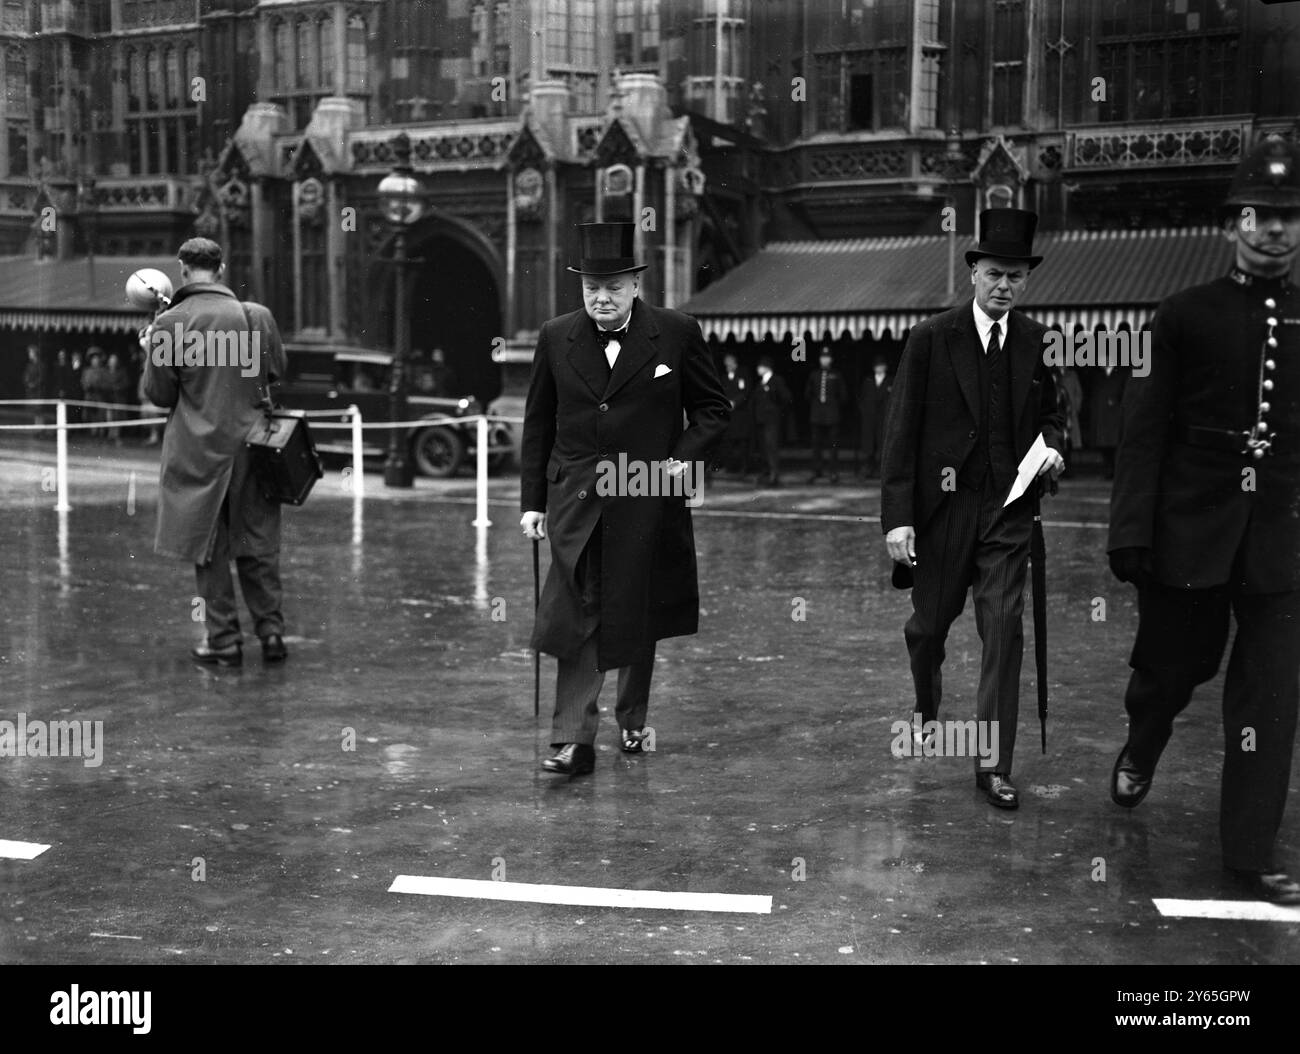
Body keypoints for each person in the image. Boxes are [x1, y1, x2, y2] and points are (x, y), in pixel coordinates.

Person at [1106, 136, 1300, 904]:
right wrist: (1131, 533)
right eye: (1257, 215)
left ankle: (1249, 853)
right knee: (1172, 672)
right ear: (1233, 225)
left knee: (1272, 695)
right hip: (1191, 533)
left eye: (1288, 216)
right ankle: (1143, 743)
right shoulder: (1183, 314)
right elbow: (1143, 430)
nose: (1273, 230)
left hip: (1282, 545)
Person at [519, 222, 730, 776]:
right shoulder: (554, 335)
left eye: (613, 286)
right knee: (578, 611)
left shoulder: (677, 332)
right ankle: (573, 739)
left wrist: (684, 459)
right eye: (591, 287)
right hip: (576, 500)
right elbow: (538, 422)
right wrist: (532, 502)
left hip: (648, 493)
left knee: (639, 606)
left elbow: (714, 409)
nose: (601, 298)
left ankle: (633, 720)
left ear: (636, 284)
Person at [881, 209, 1065, 810]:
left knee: (1003, 632)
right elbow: (901, 432)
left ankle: (993, 765)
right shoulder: (933, 338)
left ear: (1026, 279)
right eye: (994, 273)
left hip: (1007, 512)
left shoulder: (1039, 342)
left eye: (1015, 275)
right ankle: (927, 702)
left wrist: (1055, 450)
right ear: (973, 273)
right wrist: (898, 518)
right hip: (944, 511)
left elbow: (1053, 418)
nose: (1004, 285)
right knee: (928, 628)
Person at [143, 237, 289, 667]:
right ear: (221, 269)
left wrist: (151, 350)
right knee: (257, 542)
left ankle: (223, 640)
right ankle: (272, 632)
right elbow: (276, 370)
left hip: (198, 452)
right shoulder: (255, 317)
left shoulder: (171, 325)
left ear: (183, 271)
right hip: (254, 448)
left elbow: (159, 394)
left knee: (210, 548)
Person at [805, 347, 849, 483]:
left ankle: (833, 472)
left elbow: (843, 396)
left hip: (832, 415)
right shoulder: (814, 374)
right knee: (816, 445)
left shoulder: (836, 374)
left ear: (831, 359)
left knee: (833, 445)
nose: (824, 360)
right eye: (822, 357)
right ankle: (816, 471)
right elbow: (807, 394)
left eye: (827, 357)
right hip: (817, 415)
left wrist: (833, 406)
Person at [750, 355, 790, 487]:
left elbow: (785, 398)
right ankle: (766, 472)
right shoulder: (760, 383)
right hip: (761, 419)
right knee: (763, 448)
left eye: (760, 366)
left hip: (772, 419)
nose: (758, 369)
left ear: (766, 367)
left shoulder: (776, 380)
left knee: (771, 446)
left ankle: (774, 473)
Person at [718, 351, 754, 476]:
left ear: (734, 362)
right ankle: (729, 467)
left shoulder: (743, 374)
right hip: (729, 416)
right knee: (727, 443)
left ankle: (744, 468)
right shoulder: (724, 377)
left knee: (743, 443)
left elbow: (746, 392)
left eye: (730, 363)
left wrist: (735, 402)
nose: (728, 365)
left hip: (741, 415)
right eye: (726, 364)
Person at [858, 355, 892, 479]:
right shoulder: (868, 381)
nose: (880, 368)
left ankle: (881, 470)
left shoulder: (890, 381)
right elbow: (861, 398)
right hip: (870, 418)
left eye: (882, 365)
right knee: (869, 445)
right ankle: (868, 469)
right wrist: (865, 412)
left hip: (884, 418)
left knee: (882, 444)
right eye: (877, 366)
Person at [23, 345, 47, 429]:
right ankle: (38, 429)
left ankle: (40, 430)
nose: (29, 354)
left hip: (38, 392)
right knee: (35, 412)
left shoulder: (40, 364)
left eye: (31, 352)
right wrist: (27, 382)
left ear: (35, 353)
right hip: (31, 392)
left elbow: (42, 377)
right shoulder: (29, 365)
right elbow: (25, 375)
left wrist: (34, 384)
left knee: (39, 411)